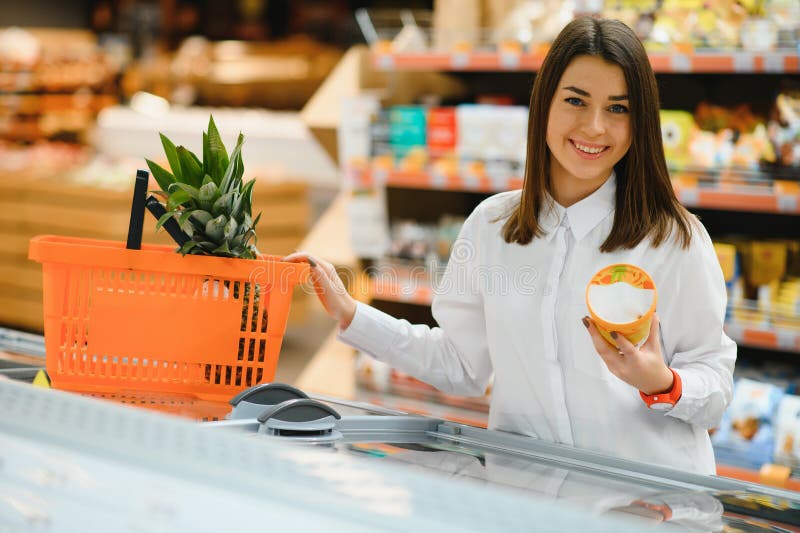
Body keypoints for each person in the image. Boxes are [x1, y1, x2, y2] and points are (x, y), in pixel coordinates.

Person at [284, 16, 736, 474]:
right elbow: (460, 365)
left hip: (647, 505)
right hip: (531, 499)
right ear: (544, 104)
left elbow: (716, 390)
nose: (595, 126)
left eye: (618, 108)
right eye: (576, 101)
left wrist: (663, 383)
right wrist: (351, 314)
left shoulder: (674, 239)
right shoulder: (491, 227)